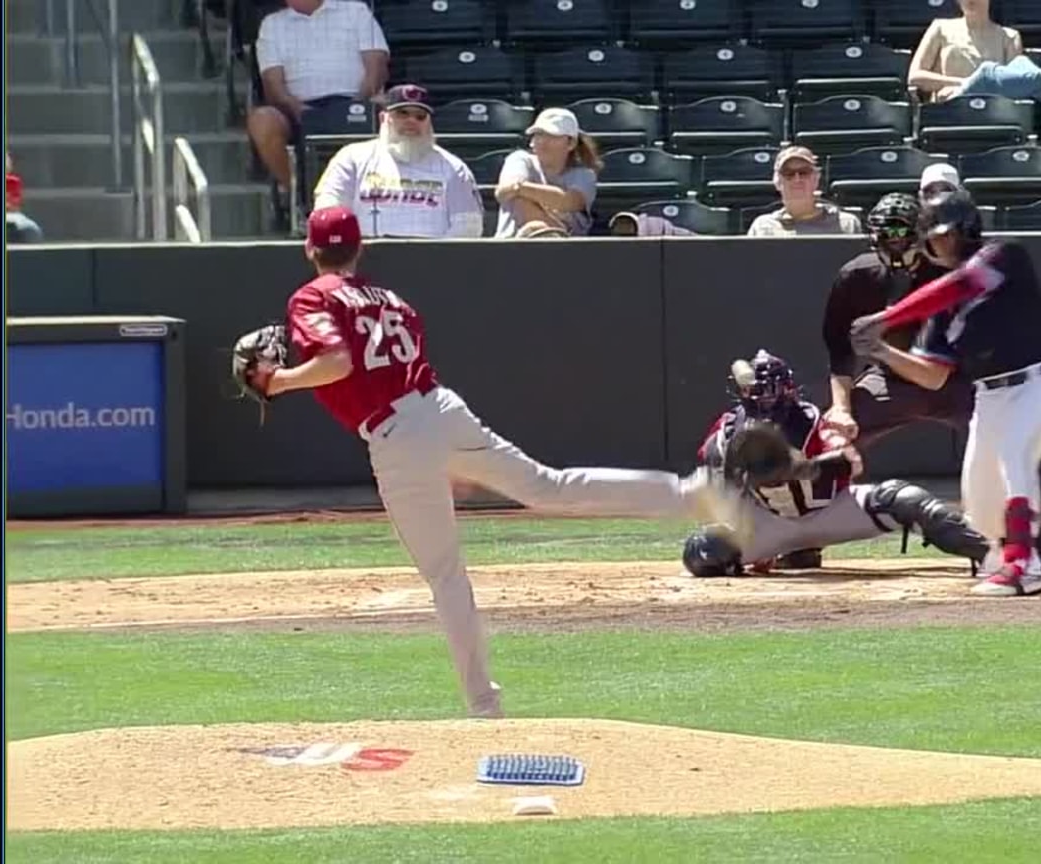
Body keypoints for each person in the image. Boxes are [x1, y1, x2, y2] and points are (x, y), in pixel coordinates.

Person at [234, 206, 739, 718]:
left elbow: (338, 362)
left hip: (397, 433)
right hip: (441, 409)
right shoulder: (393, 300)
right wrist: (449, 459)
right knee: (550, 486)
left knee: (446, 576)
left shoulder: (312, 296)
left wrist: (279, 381)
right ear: (359, 248)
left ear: (310, 249)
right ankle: (687, 492)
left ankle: (484, 705)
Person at [848, 190, 1041, 597]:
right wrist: (882, 351)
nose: (946, 243)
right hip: (989, 398)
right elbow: (933, 376)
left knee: (1015, 454)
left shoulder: (1004, 254)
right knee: (981, 499)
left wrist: (888, 317)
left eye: (950, 233)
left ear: (968, 228)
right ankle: (1003, 557)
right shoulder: (938, 311)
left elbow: (962, 284)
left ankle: (1023, 564)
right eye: (938, 237)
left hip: (1040, 383)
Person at [681, 350, 990, 577]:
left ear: (788, 391)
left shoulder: (813, 420)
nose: (764, 400)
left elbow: (851, 463)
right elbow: (715, 483)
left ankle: (989, 553)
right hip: (772, 524)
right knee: (703, 552)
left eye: (769, 392)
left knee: (904, 499)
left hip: (831, 512)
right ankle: (795, 552)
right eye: (756, 393)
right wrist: (738, 493)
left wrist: (797, 470)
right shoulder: (728, 429)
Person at [248, 0, 389, 189]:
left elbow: (377, 69)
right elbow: (273, 86)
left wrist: (357, 104)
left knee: (399, 113)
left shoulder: (356, 11)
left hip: (356, 102)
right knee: (262, 120)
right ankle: (303, 193)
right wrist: (299, 109)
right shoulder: (271, 24)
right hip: (298, 110)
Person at [311, 84, 484, 238]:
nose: (411, 121)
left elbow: (469, 227)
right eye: (402, 113)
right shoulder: (352, 158)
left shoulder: (454, 168)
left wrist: (434, 258)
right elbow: (329, 210)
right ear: (383, 118)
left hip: (432, 260)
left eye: (420, 116)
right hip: (363, 257)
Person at [907, 0, 1041, 104]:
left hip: (994, 106)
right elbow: (914, 77)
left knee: (1021, 64)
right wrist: (963, 83)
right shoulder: (940, 28)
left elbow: (1019, 85)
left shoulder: (1009, 36)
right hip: (953, 105)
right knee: (986, 72)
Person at [492, 107, 602, 239]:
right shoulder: (519, 159)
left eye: (552, 136)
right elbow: (503, 192)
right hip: (510, 244)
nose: (542, 141)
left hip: (568, 249)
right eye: (538, 135)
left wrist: (520, 188)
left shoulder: (584, 174)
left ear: (571, 143)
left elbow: (568, 202)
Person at [746, 146, 864, 237]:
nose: (797, 179)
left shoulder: (846, 224)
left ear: (816, 178)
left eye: (804, 172)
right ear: (777, 181)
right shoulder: (762, 228)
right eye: (788, 173)